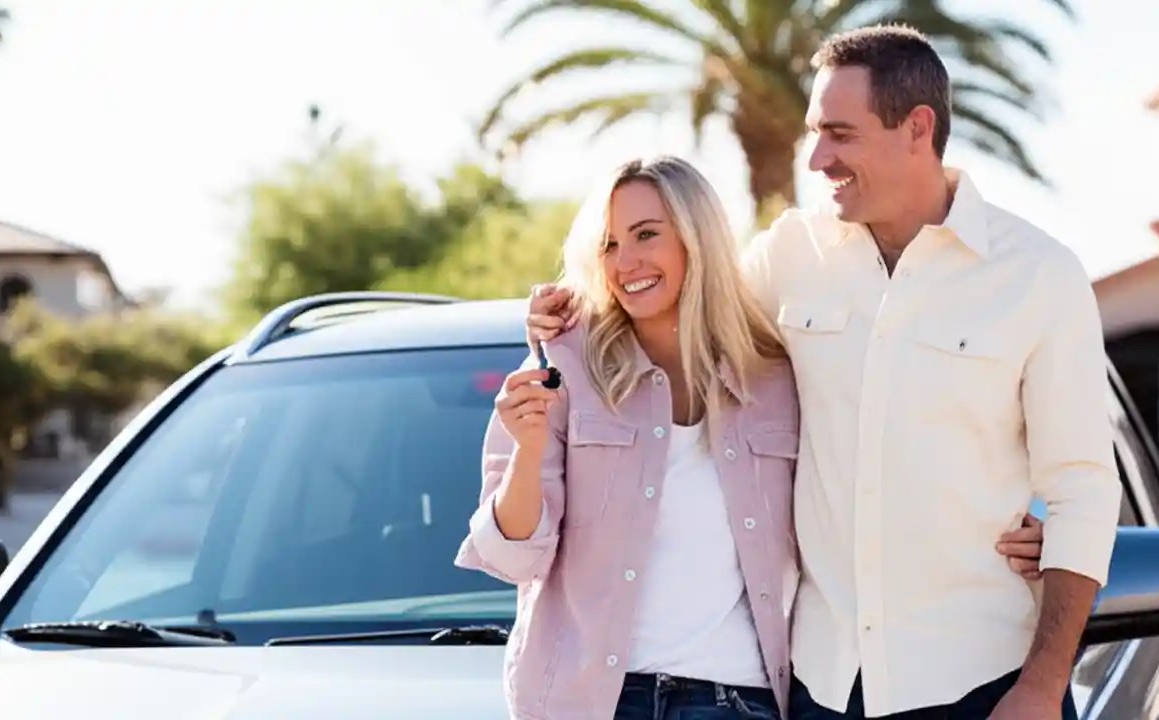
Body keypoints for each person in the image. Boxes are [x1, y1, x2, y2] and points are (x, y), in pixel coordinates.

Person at [522, 25, 1115, 720]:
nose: (816, 158)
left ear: (917, 128)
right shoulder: (789, 258)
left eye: (839, 134)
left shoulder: (1038, 275)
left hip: (984, 685)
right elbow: (680, 316)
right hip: (823, 692)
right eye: (814, 133)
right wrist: (567, 311)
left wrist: (1042, 687)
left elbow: (1081, 489)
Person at [456, 155, 1045, 720]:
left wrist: (1000, 530)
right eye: (608, 244)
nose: (625, 260)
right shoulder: (563, 363)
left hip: (735, 698)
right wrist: (527, 450)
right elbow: (512, 555)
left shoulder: (774, 375)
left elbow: (862, 477)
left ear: (696, 238)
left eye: (645, 235)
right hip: (591, 700)